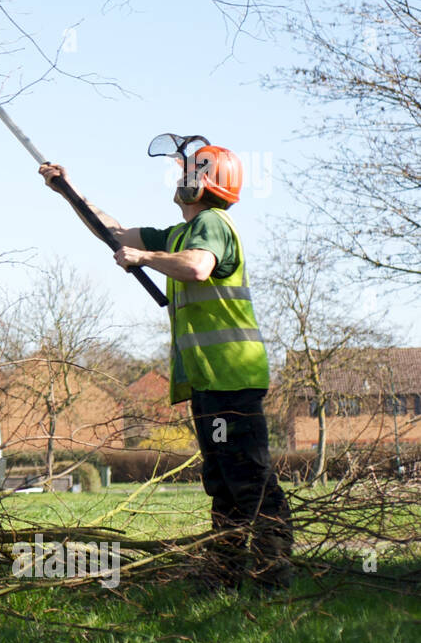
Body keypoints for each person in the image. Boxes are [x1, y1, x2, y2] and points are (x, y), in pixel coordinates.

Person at [38, 137, 292, 591]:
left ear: (202, 184)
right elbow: (112, 233)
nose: (179, 179)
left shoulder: (213, 224)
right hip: (210, 382)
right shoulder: (180, 234)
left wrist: (145, 258)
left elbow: (196, 268)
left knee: (251, 483)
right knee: (222, 484)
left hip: (231, 378)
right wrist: (70, 191)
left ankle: (273, 579)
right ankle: (226, 576)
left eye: (188, 173)